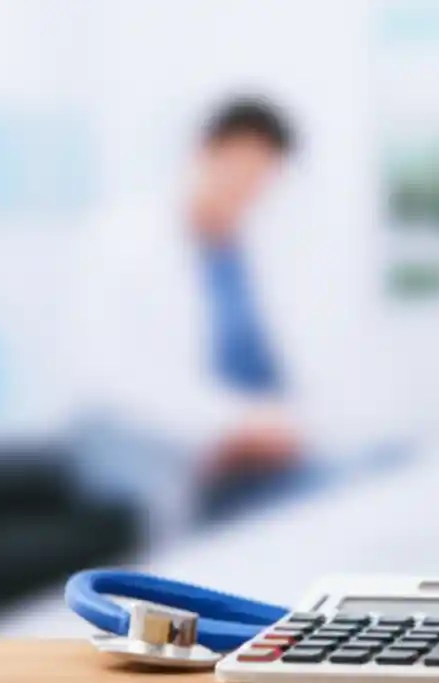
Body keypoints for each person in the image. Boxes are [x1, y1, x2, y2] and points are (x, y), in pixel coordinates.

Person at [71, 96, 302, 487]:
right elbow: (118, 376)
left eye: (261, 176)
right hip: (155, 440)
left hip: (254, 447)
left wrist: (272, 427)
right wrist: (231, 426)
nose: (246, 187)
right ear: (204, 154)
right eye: (239, 168)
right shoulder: (126, 242)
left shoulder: (251, 254)